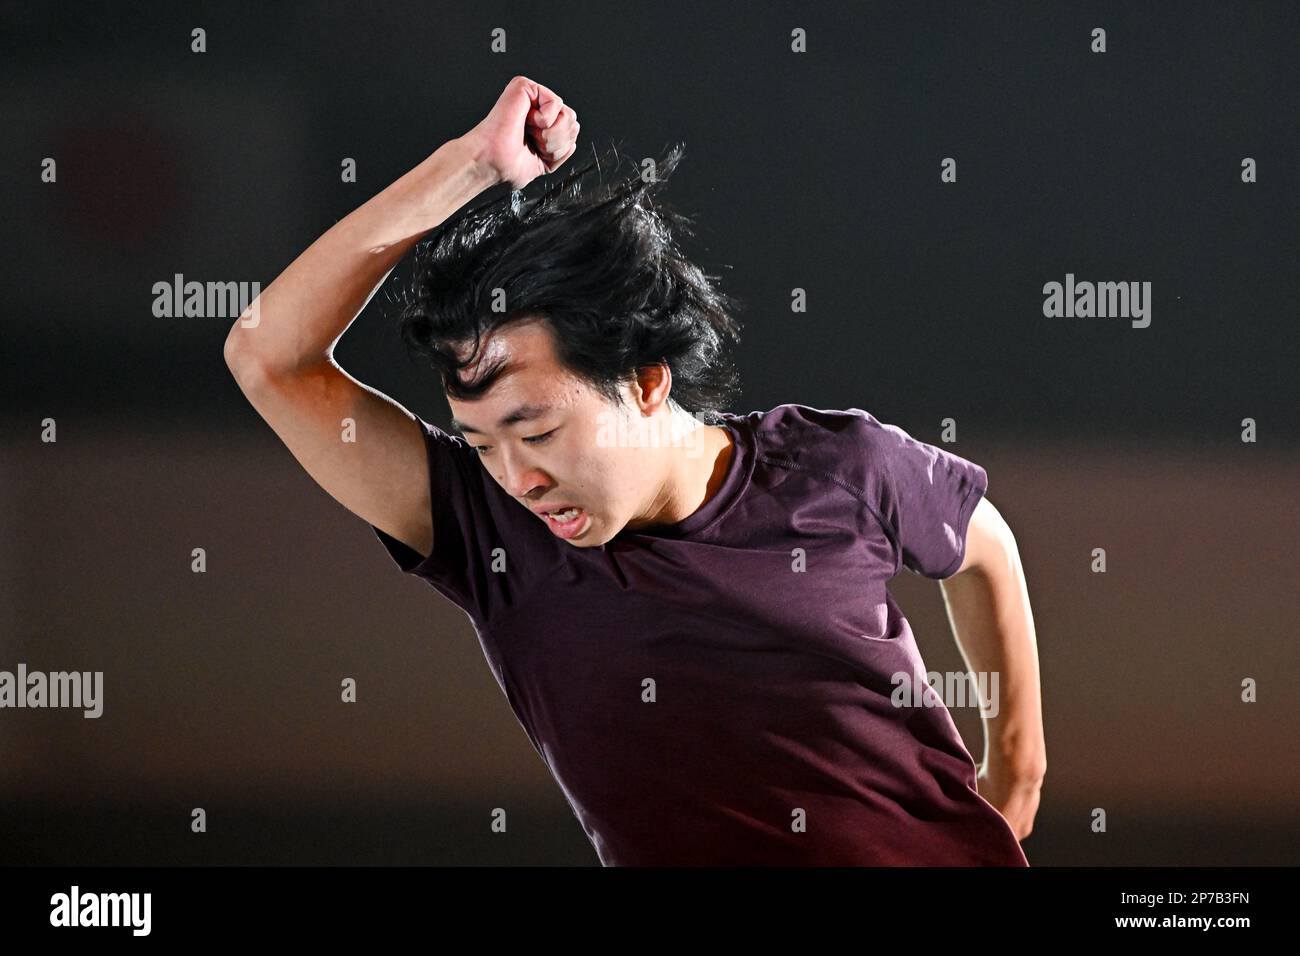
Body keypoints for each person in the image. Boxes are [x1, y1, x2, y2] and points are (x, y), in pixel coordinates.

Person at [224, 75, 1046, 866]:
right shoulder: (489, 535)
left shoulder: (838, 469)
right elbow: (269, 357)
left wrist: (1015, 764)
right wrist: (471, 167)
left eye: (537, 430)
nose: (517, 477)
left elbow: (985, 542)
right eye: (479, 445)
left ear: (648, 379)